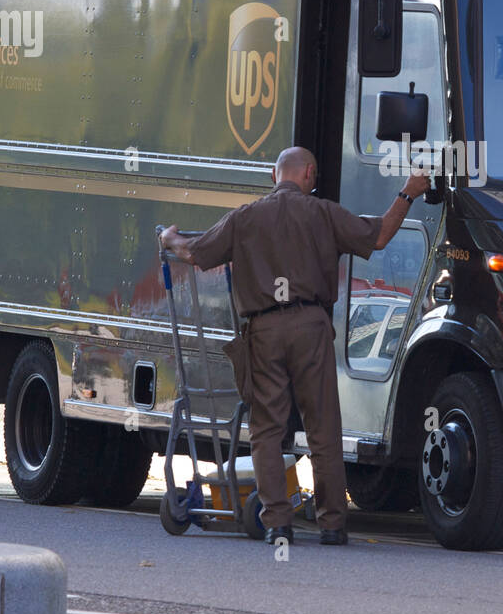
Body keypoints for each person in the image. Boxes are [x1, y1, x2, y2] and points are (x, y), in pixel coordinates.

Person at [160, 147, 430, 546]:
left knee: (268, 429)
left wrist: (170, 238)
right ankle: (333, 525)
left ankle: (277, 523)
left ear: (275, 175)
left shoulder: (246, 216)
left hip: (264, 329)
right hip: (311, 326)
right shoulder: (324, 213)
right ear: (309, 173)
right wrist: (409, 191)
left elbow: (195, 253)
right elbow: (380, 235)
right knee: (322, 427)